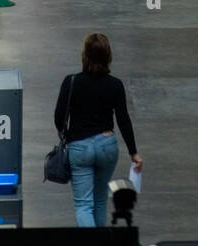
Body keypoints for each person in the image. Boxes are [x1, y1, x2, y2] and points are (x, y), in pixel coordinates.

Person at [53, 34, 142, 227]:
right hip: (106, 145)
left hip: (79, 147)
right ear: (108, 56)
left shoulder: (71, 82)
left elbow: (59, 117)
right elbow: (123, 120)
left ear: (84, 55)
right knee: (100, 201)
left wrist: (68, 136)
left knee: (84, 205)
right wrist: (133, 152)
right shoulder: (115, 85)